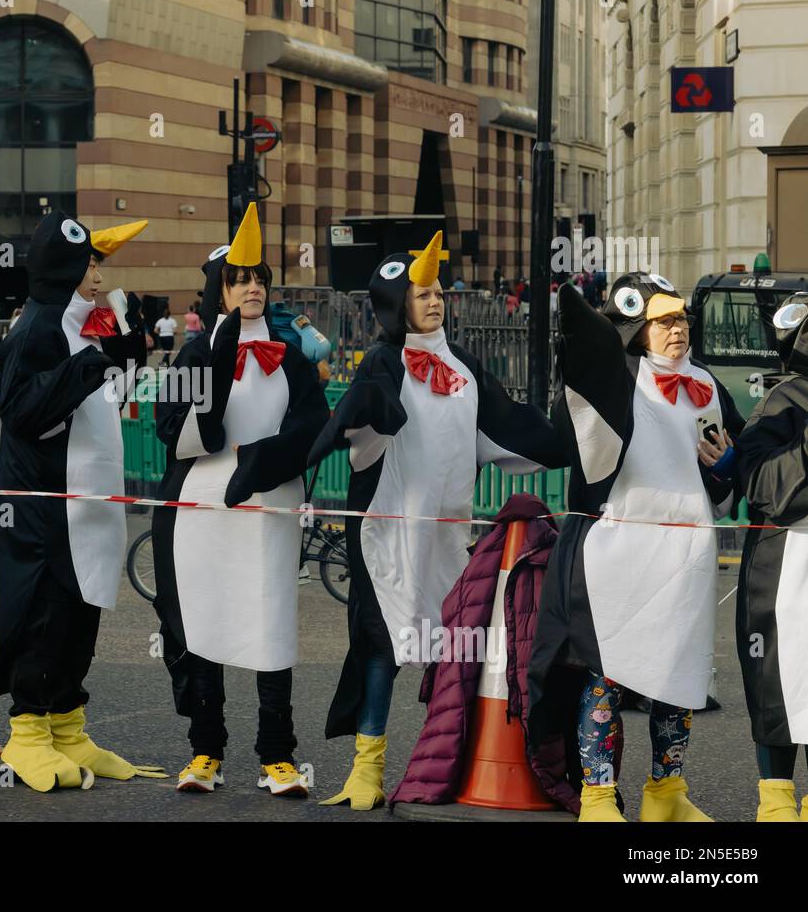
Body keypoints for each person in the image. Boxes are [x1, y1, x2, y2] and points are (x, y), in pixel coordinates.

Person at [307, 231, 564, 810]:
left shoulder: (465, 366)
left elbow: (504, 430)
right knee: (380, 646)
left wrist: (565, 438)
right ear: (396, 303)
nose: (435, 301)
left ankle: (452, 761)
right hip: (388, 531)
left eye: (439, 292)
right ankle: (366, 768)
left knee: (457, 646)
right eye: (422, 293)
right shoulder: (380, 361)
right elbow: (357, 432)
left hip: (450, 536)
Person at [528, 274, 743, 821]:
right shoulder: (617, 379)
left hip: (686, 557)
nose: (678, 329)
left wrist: (725, 470)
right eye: (664, 321)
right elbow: (569, 435)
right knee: (609, 675)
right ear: (638, 331)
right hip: (621, 553)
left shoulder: (706, 384)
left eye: (681, 319)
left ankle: (665, 792)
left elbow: (725, 473)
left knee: (679, 676)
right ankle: (598, 795)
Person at [151, 202, 329, 797]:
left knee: (270, 620)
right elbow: (169, 431)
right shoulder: (195, 352)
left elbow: (313, 429)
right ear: (219, 290)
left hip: (271, 506)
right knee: (204, 623)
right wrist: (218, 362)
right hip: (201, 508)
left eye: (259, 278)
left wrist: (266, 462)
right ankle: (206, 751)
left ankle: (277, 754)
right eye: (239, 278)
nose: (252, 286)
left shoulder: (293, 356)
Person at [0, 211, 161, 792]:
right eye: (87, 263)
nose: (96, 274)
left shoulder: (82, 324)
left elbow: (110, 391)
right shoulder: (36, 329)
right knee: (48, 613)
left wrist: (128, 348)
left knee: (81, 612)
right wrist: (92, 362)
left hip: (89, 501)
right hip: (46, 507)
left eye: (99, 264)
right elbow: (20, 412)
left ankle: (68, 725)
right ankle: (28, 732)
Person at [733, 293, 808, 821]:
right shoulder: (780, 403)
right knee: (781, 688)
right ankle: (776, 802)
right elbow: (765, 487)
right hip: (789, 572)